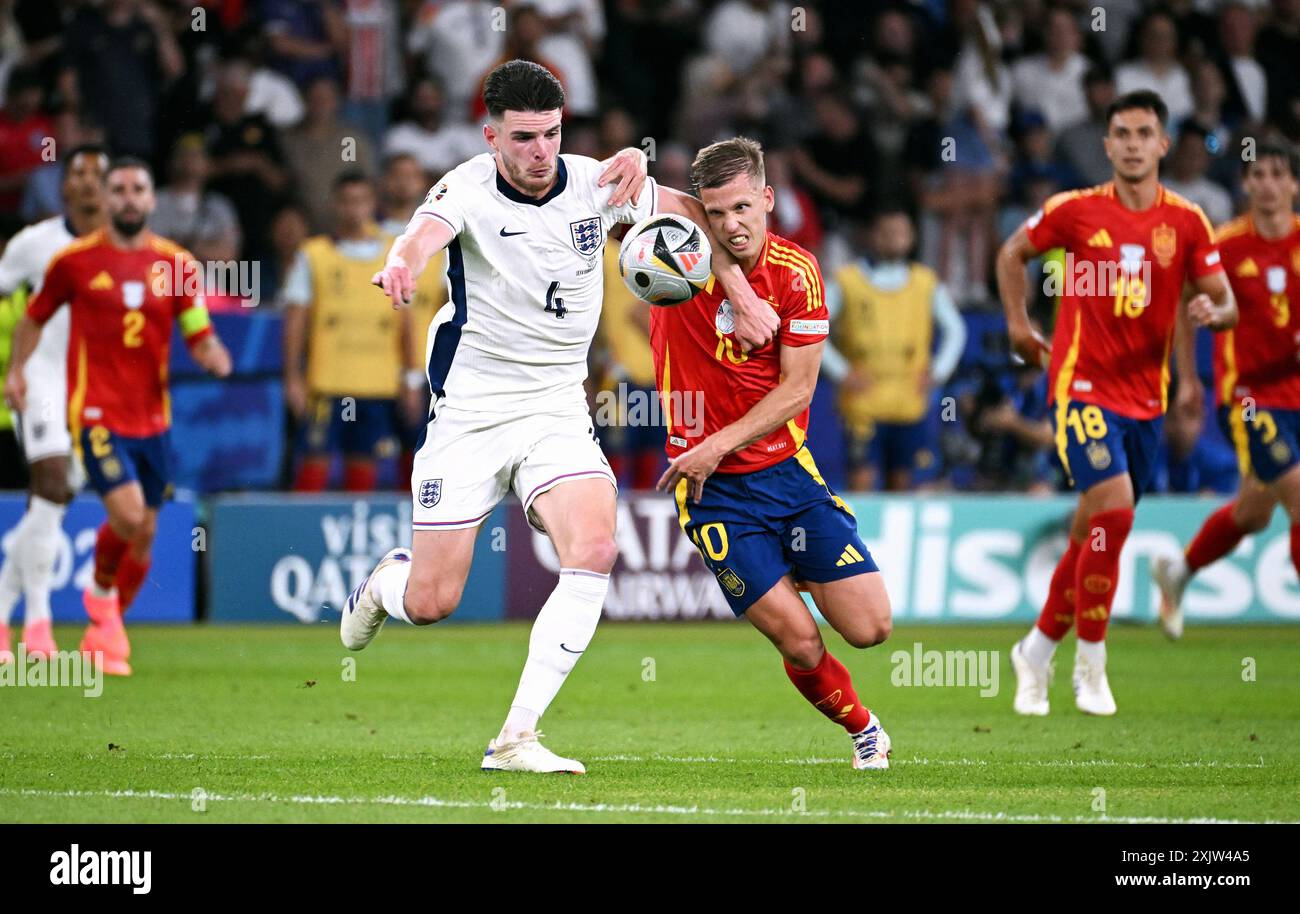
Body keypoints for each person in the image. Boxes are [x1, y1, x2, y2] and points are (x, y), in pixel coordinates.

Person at [342, 60, 779, 773]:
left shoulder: (597, 183)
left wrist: (740, 293)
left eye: (551, 133)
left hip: (555, 409)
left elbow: (693, 215)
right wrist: (400, 266)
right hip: (472, 415)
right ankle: (386, 584)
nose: (540, 151)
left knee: (595, 550)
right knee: (431, 601)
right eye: (523, 138)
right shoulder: (466, 189)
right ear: (491, 137)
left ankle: (516, 737)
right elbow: (420, 234)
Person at [651, 137, 893, 769]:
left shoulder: (798, 272)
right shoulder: (673, 255)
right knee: (802, 642)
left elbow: (800, 389)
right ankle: (865, 731)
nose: (730, 225)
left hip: (786, 475)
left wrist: (715, 445)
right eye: (715, 212)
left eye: (741, 209)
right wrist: (729, 282)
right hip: (714, 496)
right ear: (699, 212)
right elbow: (636, 201)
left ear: (767, 199)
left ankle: (793, 570)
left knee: (871, 629)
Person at [996, 90, 1236, 717]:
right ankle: (1092, 665)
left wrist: (1212, 324)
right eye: (1121, 133)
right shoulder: (1074, 212)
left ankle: (1037, 650)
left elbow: (1218, 299)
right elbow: (1010, 253)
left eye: (1144, 133)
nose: (1132, 144)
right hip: (1079, 386)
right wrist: (1019, 326)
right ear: (1107, 145)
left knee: (1089, 533)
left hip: (1144, 399)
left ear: (1163, 143)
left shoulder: (1186, 221)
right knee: (1118, 512)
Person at [3, 158, 232, 676]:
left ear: (152, 200)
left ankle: (104, 624)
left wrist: (211, 352)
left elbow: (196, 327)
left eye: (139, 189)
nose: (129, 198)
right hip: (96, 414)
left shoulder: (176, 263)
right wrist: (16, 371)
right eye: (120, 190)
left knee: (145, 533)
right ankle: (95, 602)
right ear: (107, 200)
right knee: (126, 516)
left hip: (153, 419)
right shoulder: (74, 262)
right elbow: (33, 318)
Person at [1153, 145, 1300, 639]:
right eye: (1258, 174)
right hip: (1251, 397)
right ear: (1245, 184)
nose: (1268, 183)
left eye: (1279, 174)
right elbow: (1182, 301)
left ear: (1294, 185)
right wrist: (1188, 377)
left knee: (1254, 513)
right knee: (1299, 497)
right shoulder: (1228, 245)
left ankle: (1180, 572)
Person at [0, 145, 107, 664]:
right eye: (78, 174)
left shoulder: (126, 250)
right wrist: (13, 369)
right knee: (51, 479)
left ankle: (3, 612)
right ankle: (38, 623)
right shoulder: (32, 245)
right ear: (64, 186)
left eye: (98, 175)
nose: (88, 184)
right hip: (42, 379)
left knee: (56, 498)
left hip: (96, 391)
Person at [282, 171, 429, 492]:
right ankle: (298, 540)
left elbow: (406, 322)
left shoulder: (395, 254)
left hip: (378, 385)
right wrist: (292, 376)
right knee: (313, 466)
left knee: (363, 470)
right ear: (335, 205)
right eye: (346, 201)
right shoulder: (313, 254)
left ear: (372, 204)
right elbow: (296, 320)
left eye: (361, 201)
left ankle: (353, 542)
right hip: (327, 386)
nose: (354, 209)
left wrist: (410, 378)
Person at [826, 209, 966, 492]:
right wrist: (840, 372)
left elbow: (956, 330)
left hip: (908, 403)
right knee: (860, 486)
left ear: (911, 237)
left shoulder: (925, 283)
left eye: (899, 232)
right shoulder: (847, 281)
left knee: (902, 488)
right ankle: (856, 537)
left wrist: (938, 372)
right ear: (871, 236)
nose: (893, 239)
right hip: (863, 405)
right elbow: (812, 327)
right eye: (885, 232)